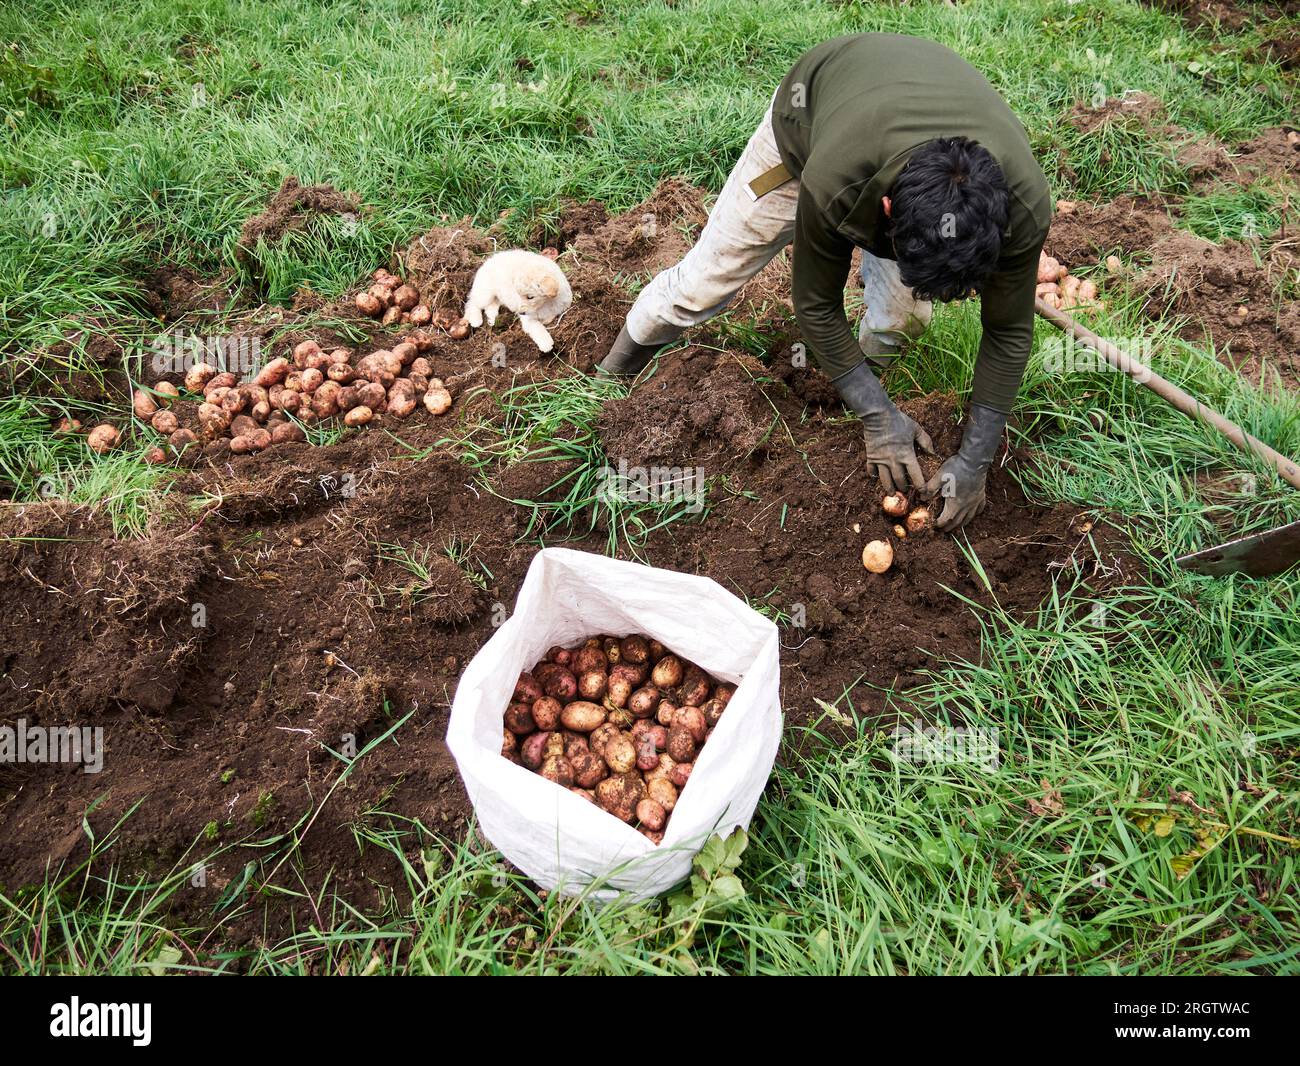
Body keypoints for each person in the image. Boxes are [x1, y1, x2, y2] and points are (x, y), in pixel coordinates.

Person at [597, 33, 1051, 531]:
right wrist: (880, 419)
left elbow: (1008, 331)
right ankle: (609, 377)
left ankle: (844, 390)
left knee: (902, 320)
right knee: (705, 283)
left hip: (897, 111)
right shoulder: (835, 177)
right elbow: (814, 302)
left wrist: (974, 462)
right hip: (810, 116)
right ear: (887, 212)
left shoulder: (1020, 205)